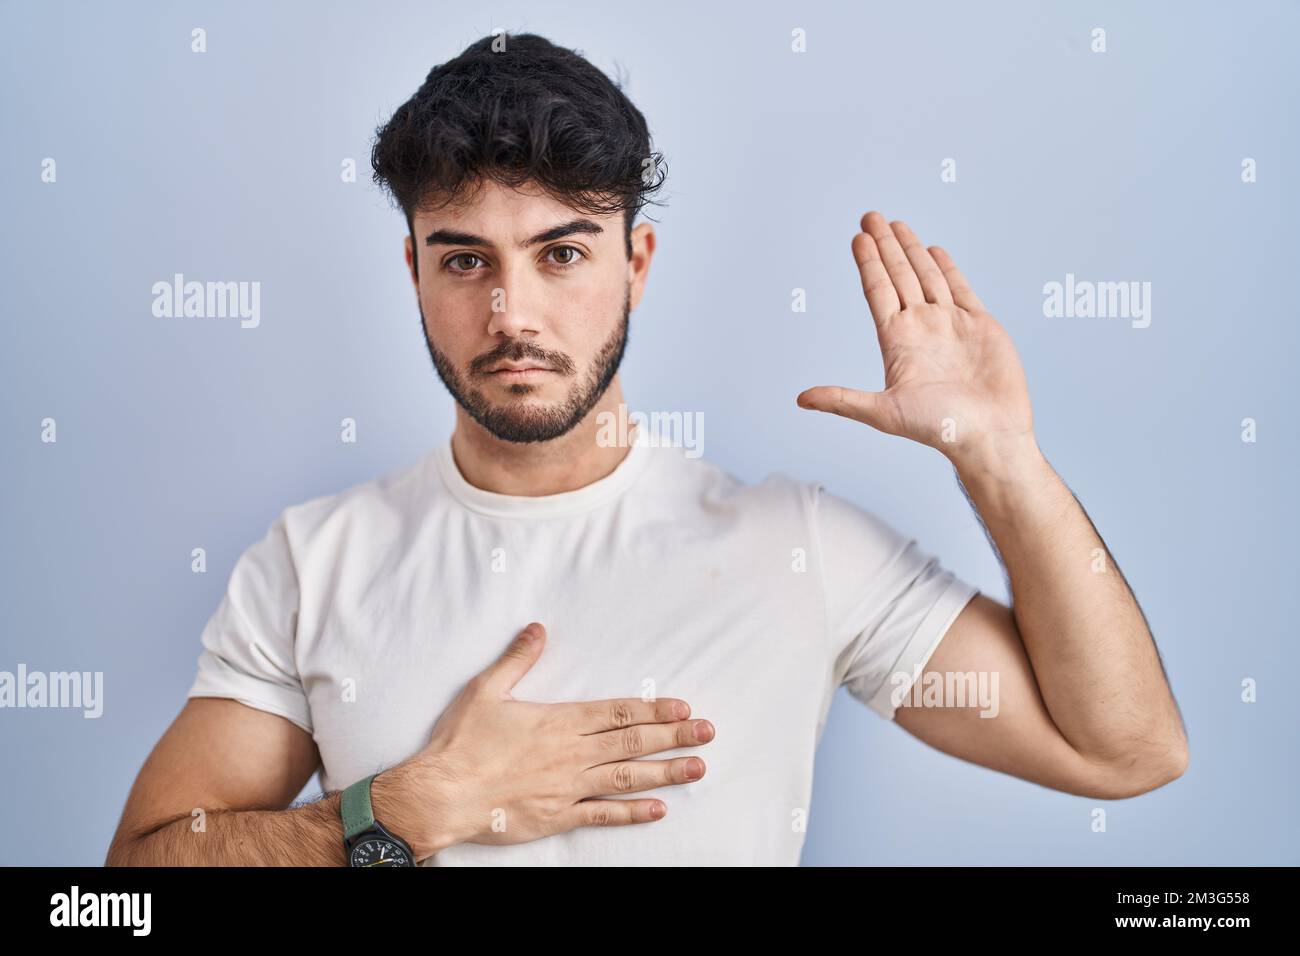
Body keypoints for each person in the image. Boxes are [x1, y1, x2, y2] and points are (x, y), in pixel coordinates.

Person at [106, 32, 1187, 867]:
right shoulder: (314, 559)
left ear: (638, 261)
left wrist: (998, 459)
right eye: (464, 260)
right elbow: (120, 891)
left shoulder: (796, 545)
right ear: (413, 274)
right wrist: (394, 812)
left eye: (562, 253)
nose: (511, 313)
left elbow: (1123, 749)